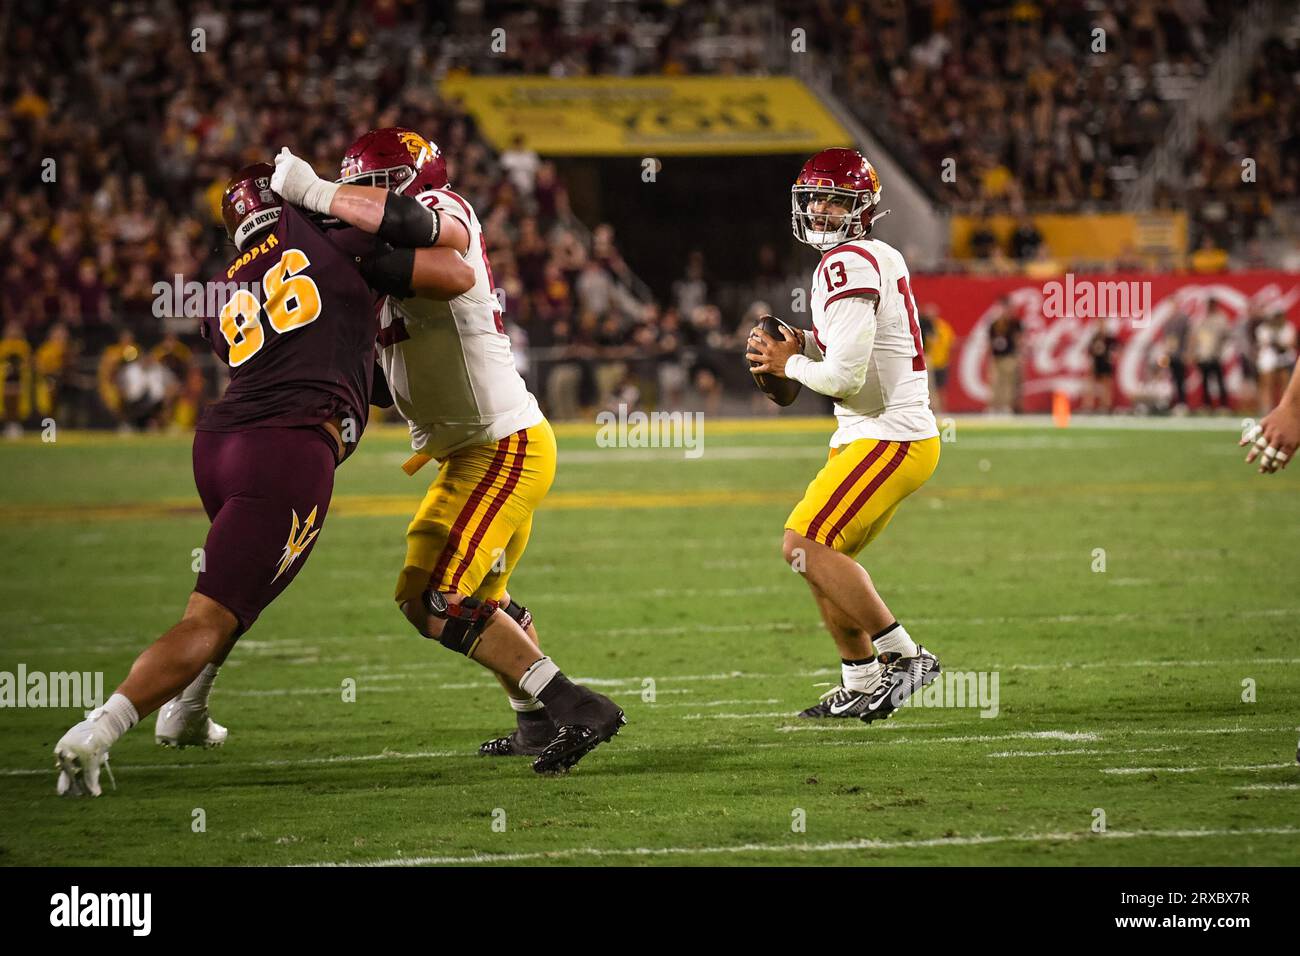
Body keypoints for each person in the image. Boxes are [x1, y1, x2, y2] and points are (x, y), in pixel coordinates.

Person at [51, 161, 455, 796]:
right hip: (288, 450)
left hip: (218, 446)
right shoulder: (335, 242)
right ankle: (99, 728)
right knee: (211, 614)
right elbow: (414, 248)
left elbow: (292, 345)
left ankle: (187, 710)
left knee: (238, 585)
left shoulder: (223, 287)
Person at [273, 132, 625, 774]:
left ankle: (577, 706)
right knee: (452, 598)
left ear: (411, 183)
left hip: (502, 445)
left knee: (438, 597)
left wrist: (315, 198)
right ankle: (534, 723)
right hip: (473, 451)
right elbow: (384, 385)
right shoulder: (384, 264)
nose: (361, 200)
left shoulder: (444, 208)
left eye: (373, 187)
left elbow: (420, 233)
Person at [747, 148, 941, 723]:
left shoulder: (846, 264)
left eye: (835, 199)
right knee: (820, 556)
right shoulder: (875, 256)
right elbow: (855, 346)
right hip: (875, 433)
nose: (821, 209)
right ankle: (860, 679)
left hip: (889, 435)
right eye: (814, 198)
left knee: (801, 544)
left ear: (863, 207)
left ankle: (905, 658)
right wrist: (803, 341)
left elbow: (845, 376)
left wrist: (790, 365)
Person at [987, 297, 1022, 413]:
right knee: (996, 383)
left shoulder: (1014, 323)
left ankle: (1007, 406)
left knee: (1009, 383)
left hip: (1009, 356)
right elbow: (990, 342)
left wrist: (1018, 354)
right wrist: (990, 356)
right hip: (997, 357)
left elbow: (1018, 339)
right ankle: (995, 406)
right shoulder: (994, 324)